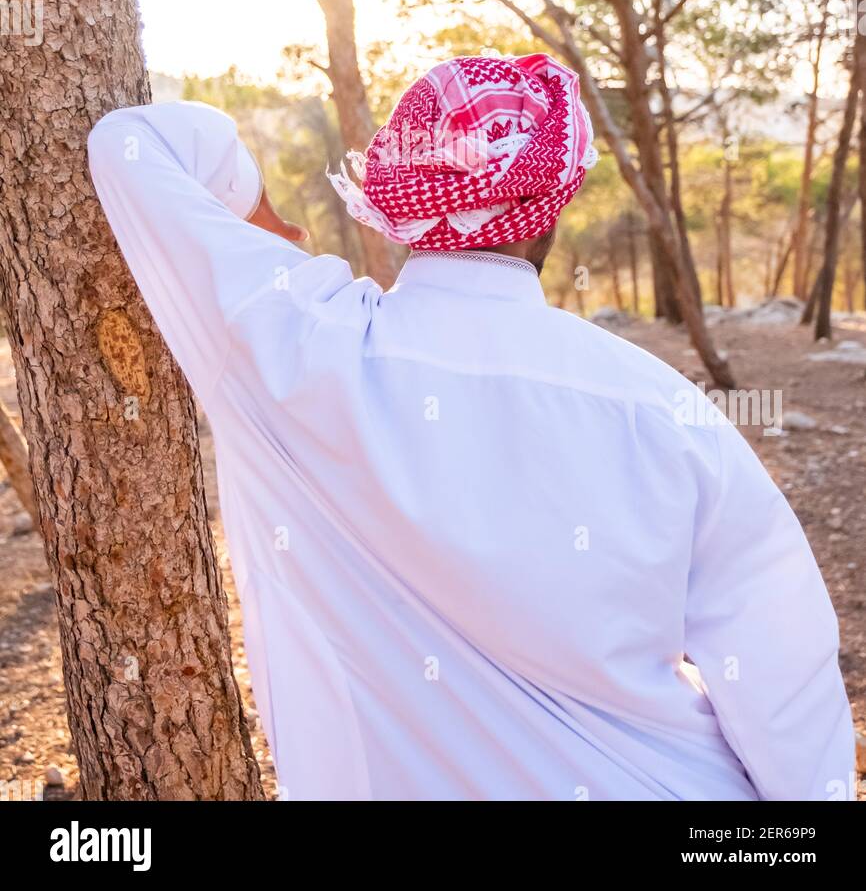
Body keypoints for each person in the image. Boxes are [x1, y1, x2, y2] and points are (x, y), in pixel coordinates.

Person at [87, 52, 854, 801]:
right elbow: (785, 684)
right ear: (555, 203)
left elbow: (131, 143)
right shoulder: (668, 413)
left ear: (401, 195)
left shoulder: (291, 348)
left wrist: (262, 226)